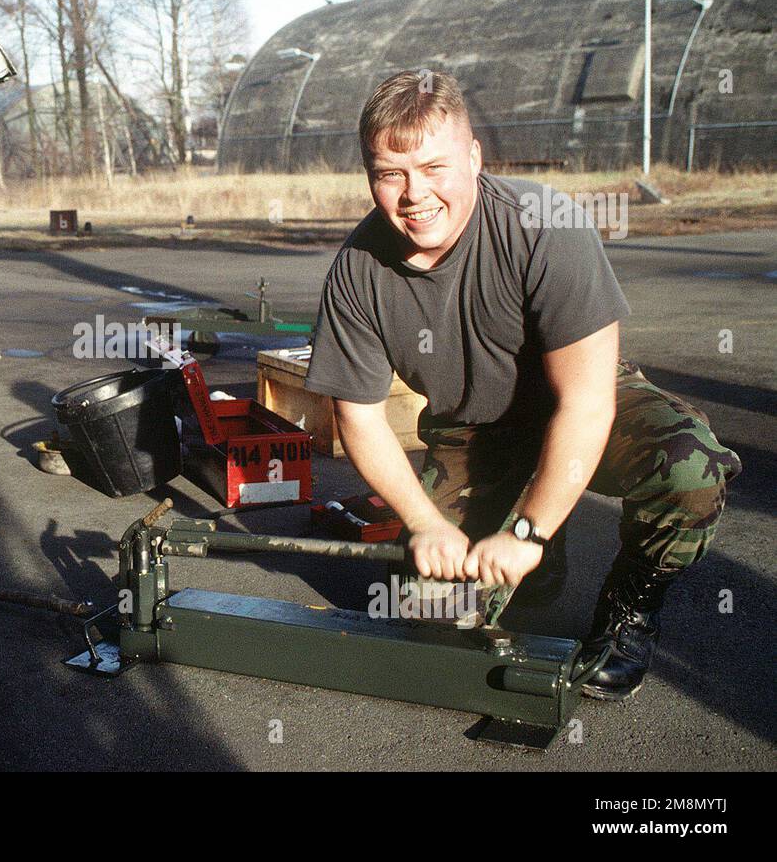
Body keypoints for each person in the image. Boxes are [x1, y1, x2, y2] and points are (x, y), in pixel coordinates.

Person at [304, 70, 741, 700]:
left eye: (434, 167)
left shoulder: (546, 224)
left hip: (578, 405)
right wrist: (423, 521)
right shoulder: (357, 270)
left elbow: (586, 403)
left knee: (687, 468)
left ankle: (628, 611)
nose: (413, 194)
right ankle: (535, 550)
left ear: (475, 157)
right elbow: (361, 419)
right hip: (472, 431)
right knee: (432, 609)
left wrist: (526, 529)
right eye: (389, 173)